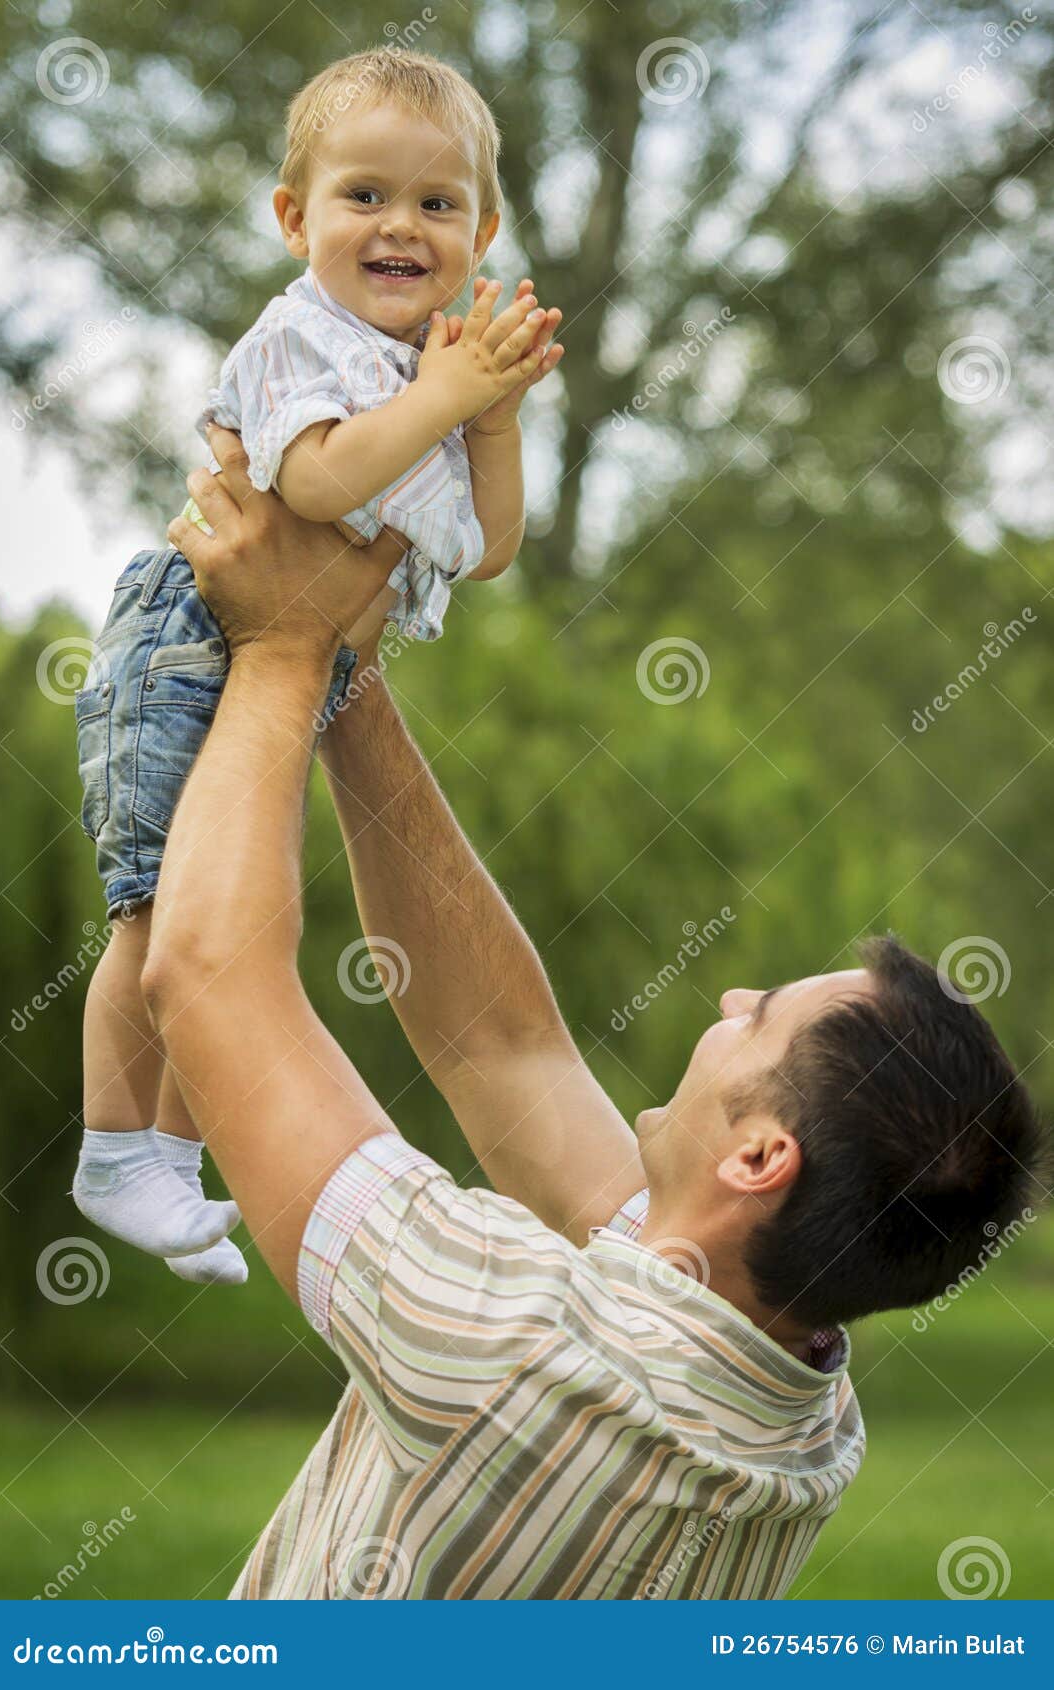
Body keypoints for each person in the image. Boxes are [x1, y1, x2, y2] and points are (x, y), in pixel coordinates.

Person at [136, 428, 1043, 1599]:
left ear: (763, 1155)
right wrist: (349, 682)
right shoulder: (786, 1391)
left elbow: (206, 978)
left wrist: (278, 650)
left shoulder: (516, 1350)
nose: (726, 997)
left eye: (756, 1014)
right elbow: (503, 1048)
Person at [71, 47, 563, 1280]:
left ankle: (176, 1162)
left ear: (482, 229)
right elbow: (316, 479)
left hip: (298, 650)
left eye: (438, 203)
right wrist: (446, 395)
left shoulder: (425, 371)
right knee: (160, 903)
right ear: (295, 219)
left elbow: (490, 547)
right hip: (194, 632)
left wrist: (486, 418)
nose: (401, 224)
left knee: (243, 909)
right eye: (364, 195)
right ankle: (117, 1148)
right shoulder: (305, 338)